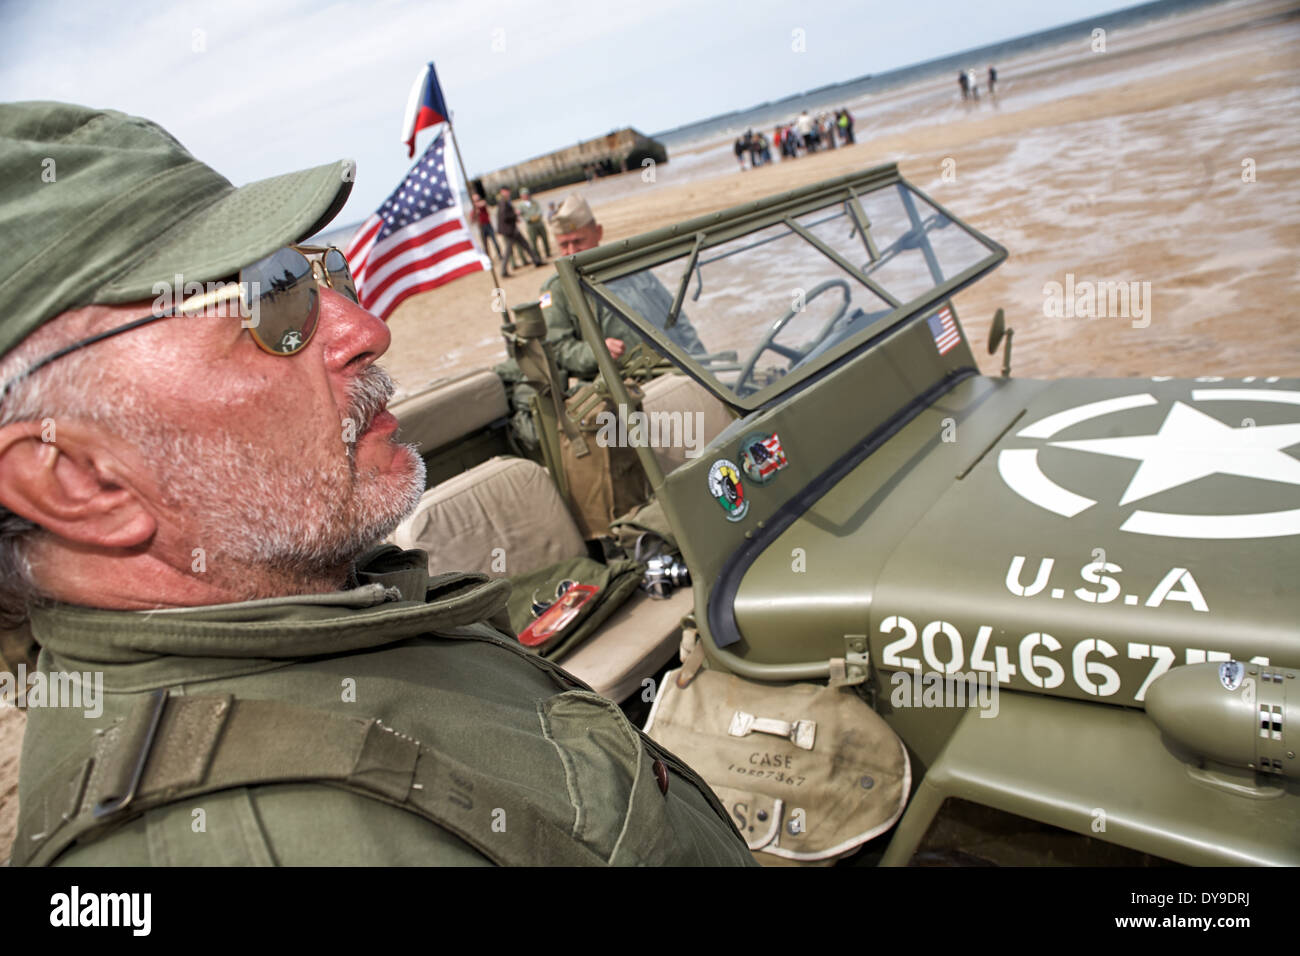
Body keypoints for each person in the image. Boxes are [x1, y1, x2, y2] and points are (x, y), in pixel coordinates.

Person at [0, 102, 756, 868]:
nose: (366, 329)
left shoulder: (322, 606)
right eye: (267, 303)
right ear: (78, 479)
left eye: (306, 272)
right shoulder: (251, 841)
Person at [496, 194, 708, 451]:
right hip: (622, 393)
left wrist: (702, 365)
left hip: (672, 374)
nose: (571, 253)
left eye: (578, 241)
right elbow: (557, 349)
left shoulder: (630, 269)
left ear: (597, 232)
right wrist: (596, 351)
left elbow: (676, 319)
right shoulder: (558, 291)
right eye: (564, 245)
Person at [496, 186, 543, 276]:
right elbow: (504, 216)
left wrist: (514, 217)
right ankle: (503, 271)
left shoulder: (505, 201)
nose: (508, 193)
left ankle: (537, 261)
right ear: (502, 192)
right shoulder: (503, 202)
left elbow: (506, 216)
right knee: (509, 251)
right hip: (510, 230)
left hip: (512, 229)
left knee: (526, 245)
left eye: (508, 191)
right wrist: (515, 214)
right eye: (506, 191)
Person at [517, 187, 551, 260]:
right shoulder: (520, 205)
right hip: (530, 225)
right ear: (521, 196)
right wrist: (529, 219)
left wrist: (537, 216)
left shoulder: (534, 202)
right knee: (533, 242)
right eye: (524, 194)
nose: (526, 196)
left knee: (545, 238)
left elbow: (540, 210)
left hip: (539, 223)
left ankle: (548, 252)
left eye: (527, 194)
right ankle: (537, 256)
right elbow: (521, 215)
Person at [472, 194, 504, 263]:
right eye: (475, 200)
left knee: (495, 241)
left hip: (488, 225)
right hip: (481, 227)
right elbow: (472, 220)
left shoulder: (482, 204)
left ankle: (500, 255)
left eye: (477, 199)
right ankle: (488, 258)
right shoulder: (473, 210)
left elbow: (484, 204)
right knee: (485, 245)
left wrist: (477, 206)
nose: (477, 201)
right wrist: (475, 213)